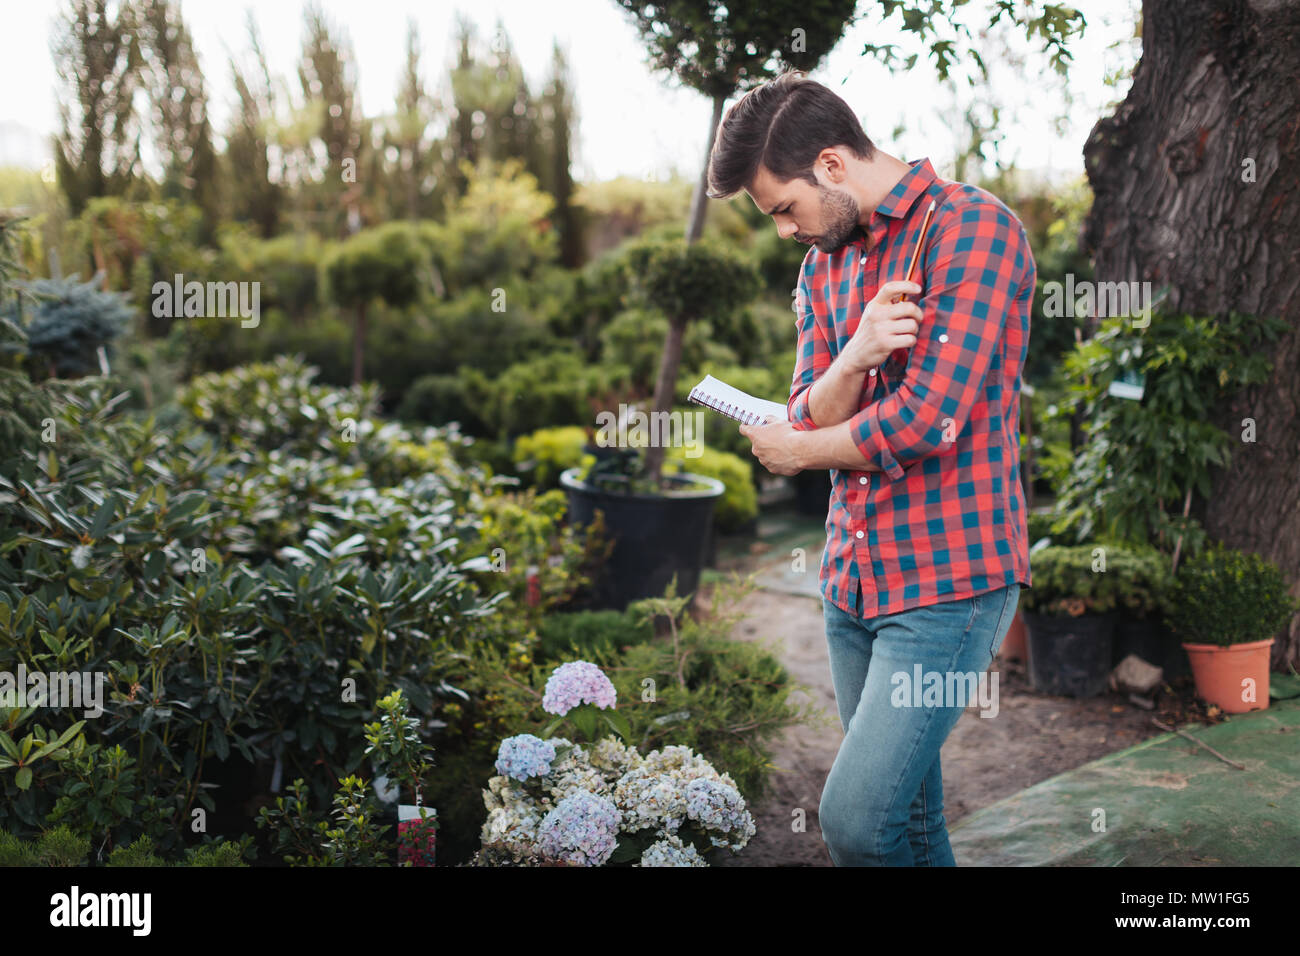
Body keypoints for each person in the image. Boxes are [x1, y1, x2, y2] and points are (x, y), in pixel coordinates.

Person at [707, 71, 1034, 866]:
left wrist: (799, 451)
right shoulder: (825, 264)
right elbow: (808, 404)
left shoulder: (971, 229)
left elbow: (930, 418)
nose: (784, 230)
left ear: (831, 164)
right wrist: (854, 354)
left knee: (856, 820)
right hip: (852, 580)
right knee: (908, 824)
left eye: (784, 207)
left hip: (949, 585)